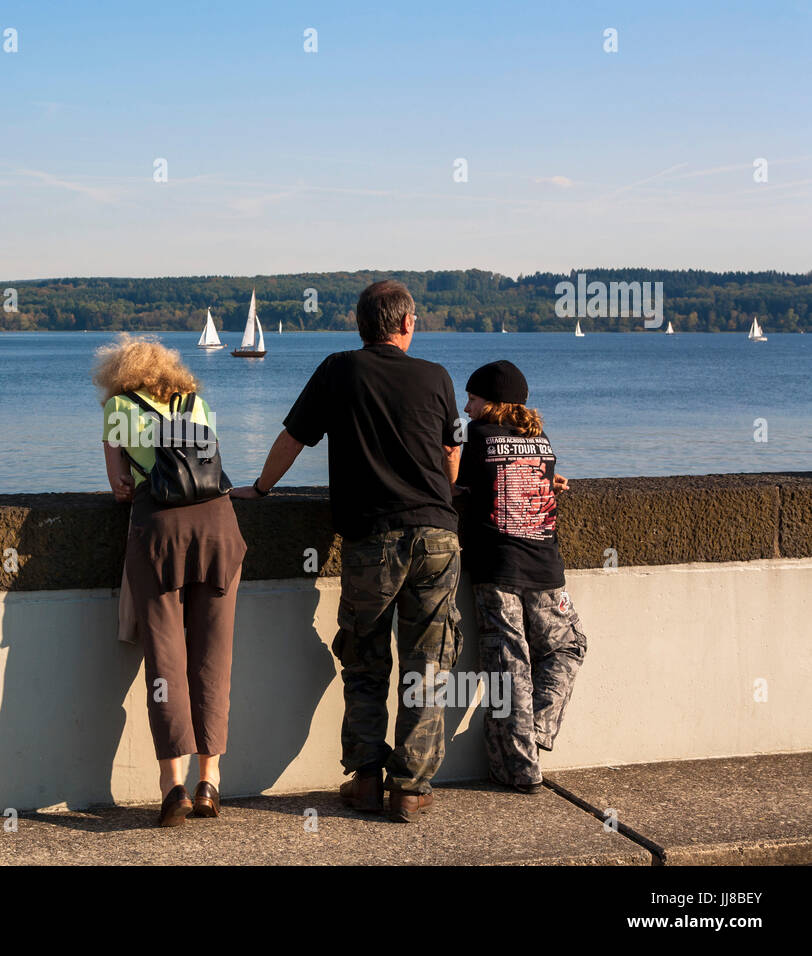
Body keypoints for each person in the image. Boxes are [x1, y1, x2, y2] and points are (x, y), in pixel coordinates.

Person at [233, 280, 462, 823]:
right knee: (427, 663)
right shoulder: (437, 377)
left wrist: (261, 489)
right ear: (407, 324)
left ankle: (364, 779)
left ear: (362, 326)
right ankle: (410, 787)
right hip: (435, 534)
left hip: (369, 540)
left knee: (364, 659)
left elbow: (293, 436)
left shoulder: (339, 369)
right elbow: (453, 455)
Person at [94, 335, 246, 827]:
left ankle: (172, 787)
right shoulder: (196, 401)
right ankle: (210, 782)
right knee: (213, 655)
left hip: (158, 531)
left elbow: (120, 488)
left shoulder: (119, 406)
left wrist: (134, 477)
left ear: (118, 374)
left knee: (165, 658)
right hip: (219, 527)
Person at [456, 360, 586, 793]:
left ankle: (519, 766)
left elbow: (452, 482)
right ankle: (540, 731)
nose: (466, 406)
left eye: (473, 398)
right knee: (567, 647)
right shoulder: (540, 440)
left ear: (492, 402)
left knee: (508, 668)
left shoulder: (474, 438)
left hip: (497, 568)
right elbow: (530, 480)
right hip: (545, 566)